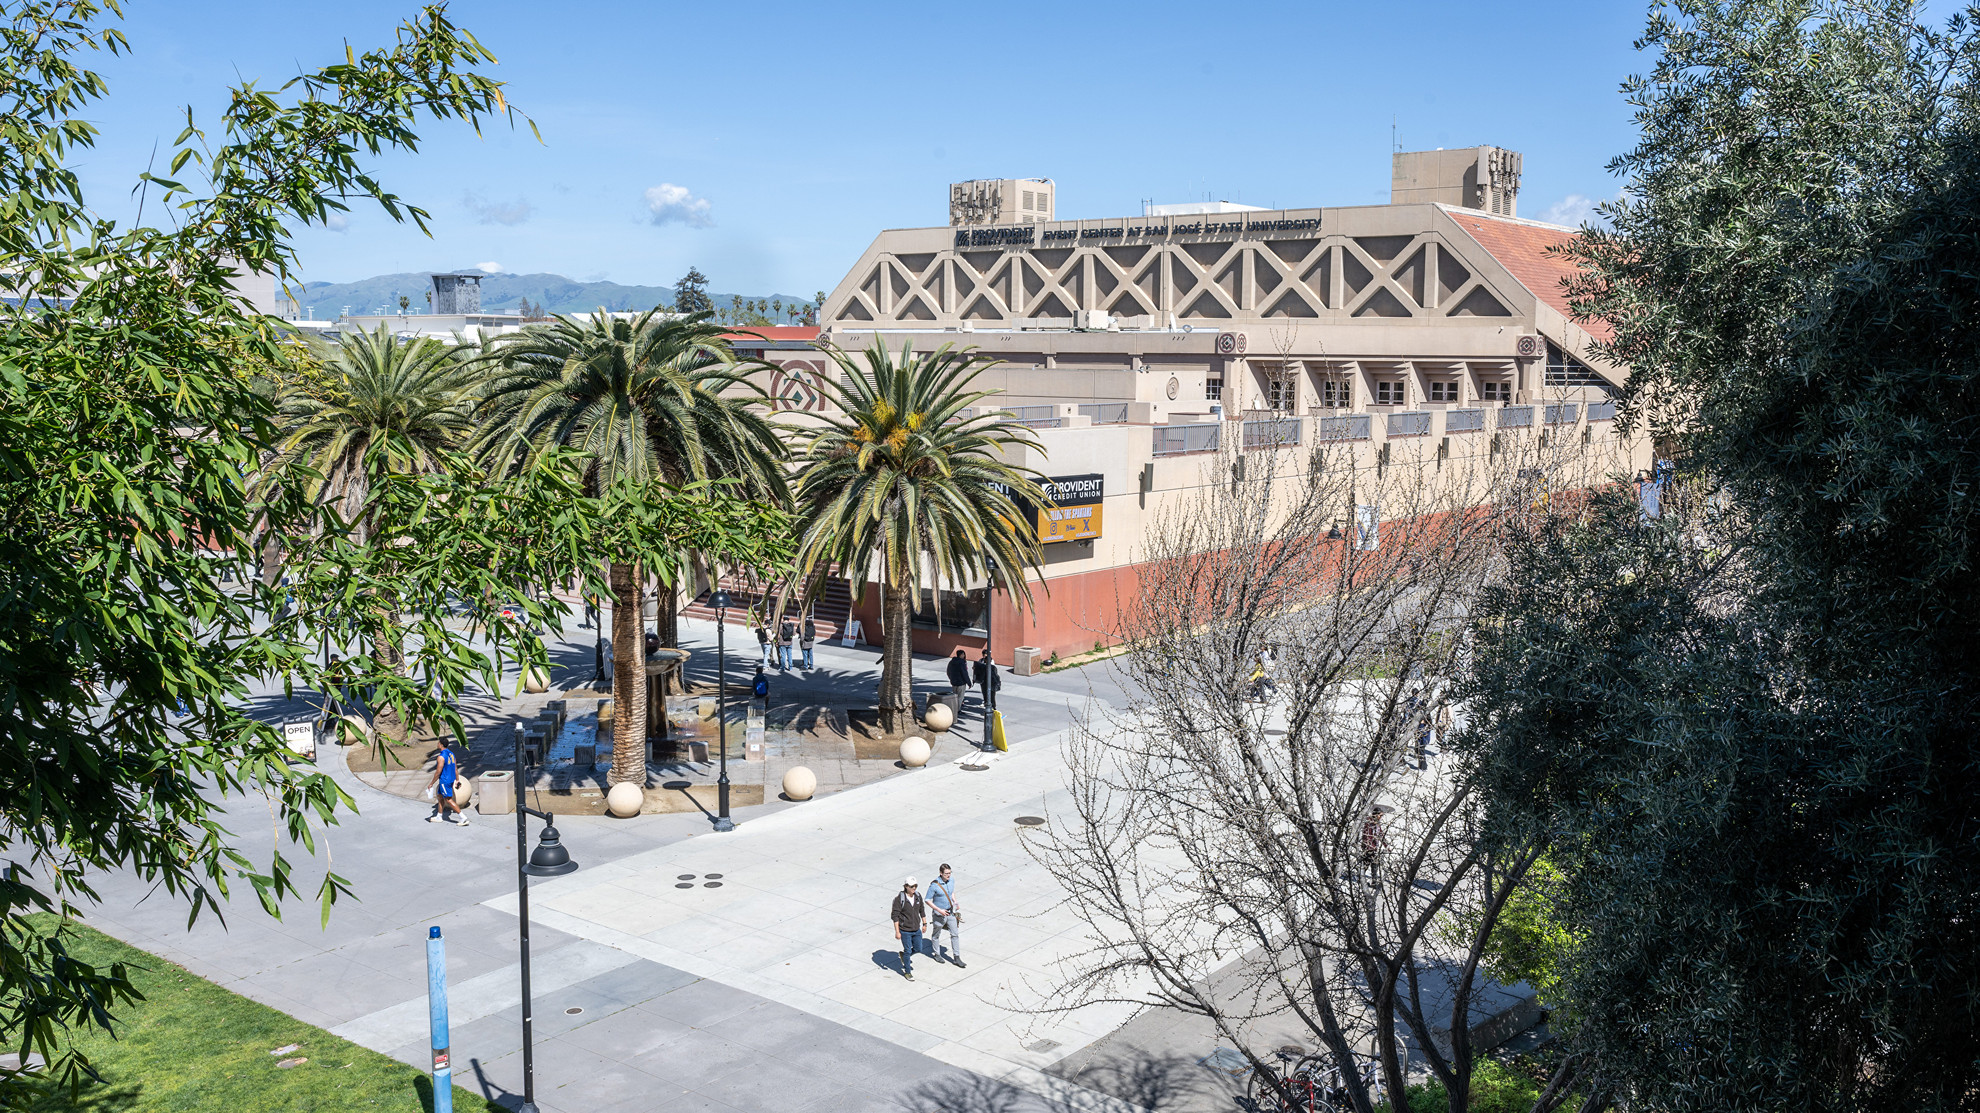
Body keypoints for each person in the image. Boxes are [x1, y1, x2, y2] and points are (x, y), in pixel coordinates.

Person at [926, 863, 964, 967]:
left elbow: (951, 892)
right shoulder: (934, 885)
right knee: (936, 934)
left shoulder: (951, 880)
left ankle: (956, 957)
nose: (948, 875)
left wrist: (955, 901)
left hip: (950, 912)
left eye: (950, 873)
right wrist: (939, 910)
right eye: (946, 873)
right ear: (941, 873)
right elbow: (927, 900)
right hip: (939, 914)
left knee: (955, 934)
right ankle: (937, 954)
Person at [425, 738, 469, 826]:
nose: (437, 744)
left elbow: (438, 772)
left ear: (441, 744)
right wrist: (457, 780)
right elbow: (455, 768)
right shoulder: (451, 754)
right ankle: (439, 816)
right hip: (451, 779)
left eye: (438, 743)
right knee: (440, 796)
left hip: (444, 781)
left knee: (448, 800)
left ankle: (463, 818)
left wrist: (431, 783)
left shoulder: (441, 757)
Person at [891, 876, 926, 980]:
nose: (914, 888)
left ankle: (904, 956)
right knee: (908, 950)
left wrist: (925, 924)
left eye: (916, 886)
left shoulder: (918, 897)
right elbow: (895, 916)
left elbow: (922, 911)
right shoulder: (899, 899)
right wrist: (897, 932)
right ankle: (907, 972)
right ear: (906, 886)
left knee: (918, 948)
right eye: (912, 886)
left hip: (916, 929)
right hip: (905, 930)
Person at [972, 648, 1001, 712]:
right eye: (984, 655)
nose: (985, 657)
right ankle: (986, 703)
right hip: (984, 682)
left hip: (990, 682)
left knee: (992, 695)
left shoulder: (992, 665)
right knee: (985, 693)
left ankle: (993, 707)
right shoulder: (981, 661)